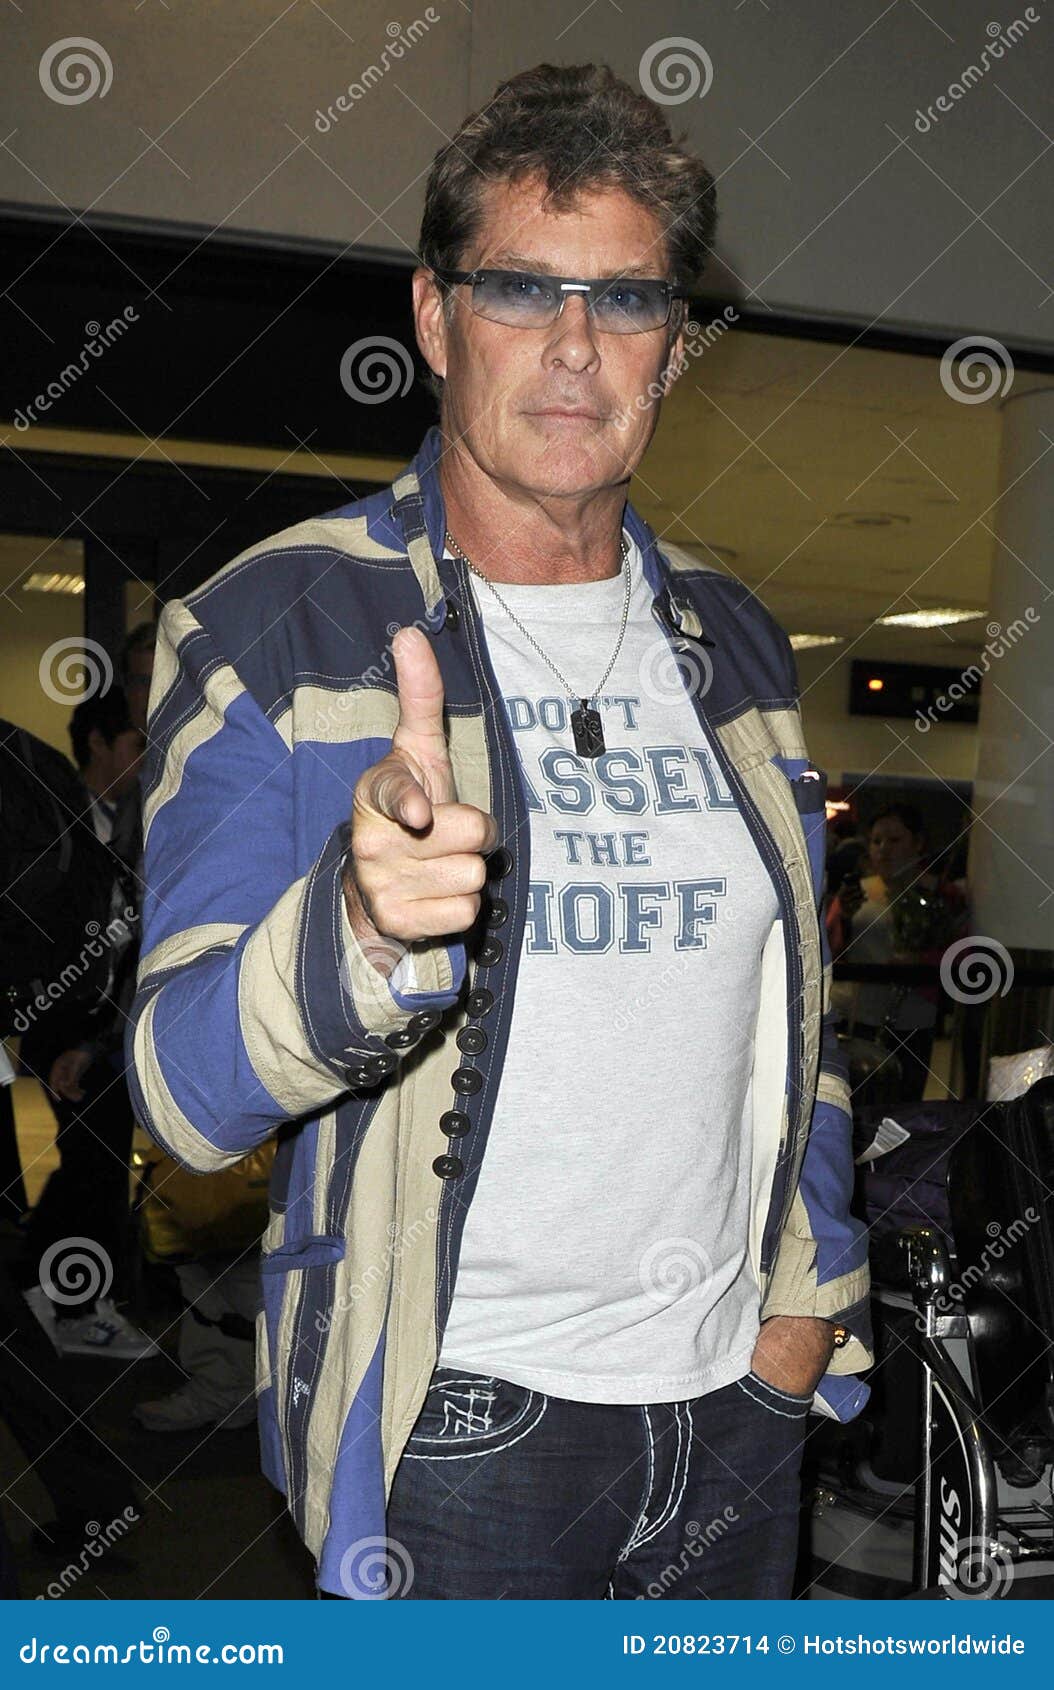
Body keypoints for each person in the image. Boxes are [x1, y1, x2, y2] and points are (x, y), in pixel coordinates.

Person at [127, 62, 872, 1600]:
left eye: (628, 298)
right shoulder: (274, 625)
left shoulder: (732, 639)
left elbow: (796, 1015)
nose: (575, 347)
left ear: (674, 345)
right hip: (458, 1422)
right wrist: (357, 928)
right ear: (433, 315)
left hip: (736, 1409)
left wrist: (805, 1313)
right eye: (522, 288)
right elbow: (178, 1098)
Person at [20, 687, 155, 1359]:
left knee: (92, 1160)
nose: (145, 758)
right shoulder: (57, 825)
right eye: (135, 744)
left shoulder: (126, 821)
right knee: (95, 1163)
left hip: (104, 1020)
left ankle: (52, 1290)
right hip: (67, 1019)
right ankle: (74, 1304)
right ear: (99, 744)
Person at [826, 803, 967, 1103]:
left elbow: (962, 953)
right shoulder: (857, 892)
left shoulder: (940, 895)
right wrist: (844, 919)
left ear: (918, 843)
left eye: (894, 840)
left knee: (904, 1103)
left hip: (912, 1022)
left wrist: (922, 962)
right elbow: (827, 950)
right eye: (876, 841)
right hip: (858, 1018)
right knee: (854, 1104)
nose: (883, 849)